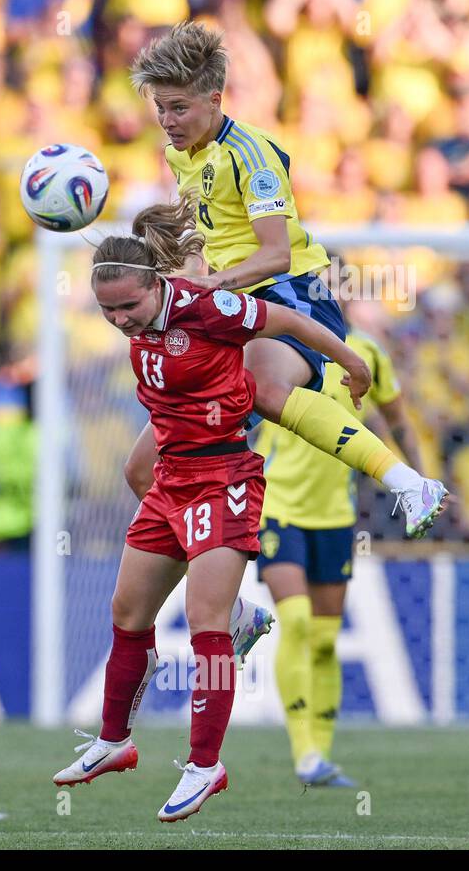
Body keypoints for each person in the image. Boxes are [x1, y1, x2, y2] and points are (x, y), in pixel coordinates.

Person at [51, 197, 373, 823]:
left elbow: (290, 323)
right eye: (107, 309)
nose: (119, 319)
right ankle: (114, 742)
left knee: (206, 626)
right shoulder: (139, 323)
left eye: (128, 306)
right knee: (127, 611)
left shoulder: (208, 309)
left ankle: (205, 764)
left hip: (223, 477)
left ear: (155, 287)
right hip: (171, 479)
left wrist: (352, 360)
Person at [125, 22, 448, 538]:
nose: (167, 120)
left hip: (293, 289)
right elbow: (209, 221)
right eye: (160, 107)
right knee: (143, 469)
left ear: (214, 99)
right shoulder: (177, 152)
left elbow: (275, 255)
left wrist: (212, 285)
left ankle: (409, 484)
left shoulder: (253, 156)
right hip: (230, 301)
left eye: (178, 108)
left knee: (267, 389)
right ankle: (233, 602)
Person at [254, 322, 422, 787]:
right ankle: (303, 750)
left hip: (335, 515)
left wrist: (419, 477)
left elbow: (397, 419)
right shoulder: (277, 347)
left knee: (325, 640)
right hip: (278, 507)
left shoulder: (369, 351)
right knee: (299, 622)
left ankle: (322, 757)